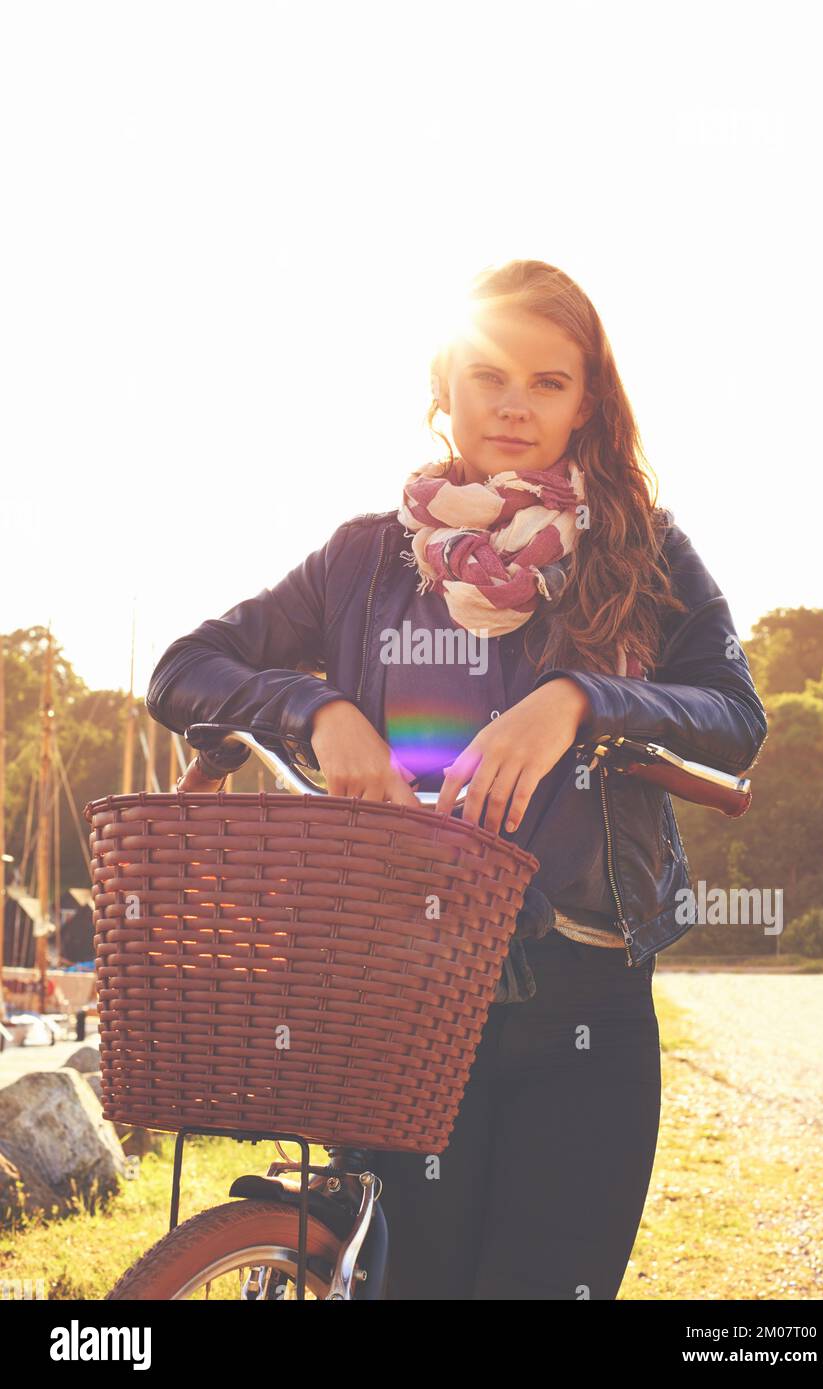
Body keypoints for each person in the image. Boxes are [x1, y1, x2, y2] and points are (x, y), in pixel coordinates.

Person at [148, 258, 768, 1299]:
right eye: (489, 373)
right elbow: (184, 669)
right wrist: (318, 710)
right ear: (444, 384)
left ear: (587, 403)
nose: (515, 404)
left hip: (588, 1000)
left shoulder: (642, 551)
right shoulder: (362, 561)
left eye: (548, 381)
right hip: (399, 1003)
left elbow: (736, 716)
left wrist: (582, 698)